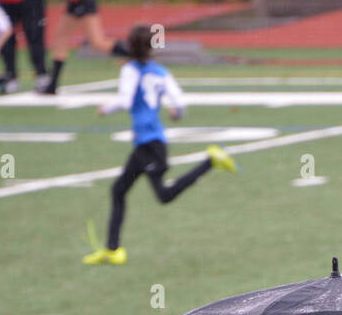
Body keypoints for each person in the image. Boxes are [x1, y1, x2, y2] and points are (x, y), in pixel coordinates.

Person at [86, 23, 236, 265]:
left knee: (163, 195)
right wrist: (176, 112)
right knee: (119, 190)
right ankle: (113, 249)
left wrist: (106, 108)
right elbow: (179, 103)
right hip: (147, 143)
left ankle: (210, 161)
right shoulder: (160, 71)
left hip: (151, 144)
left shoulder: (130, 70)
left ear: (130, 46)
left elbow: (124, 101)